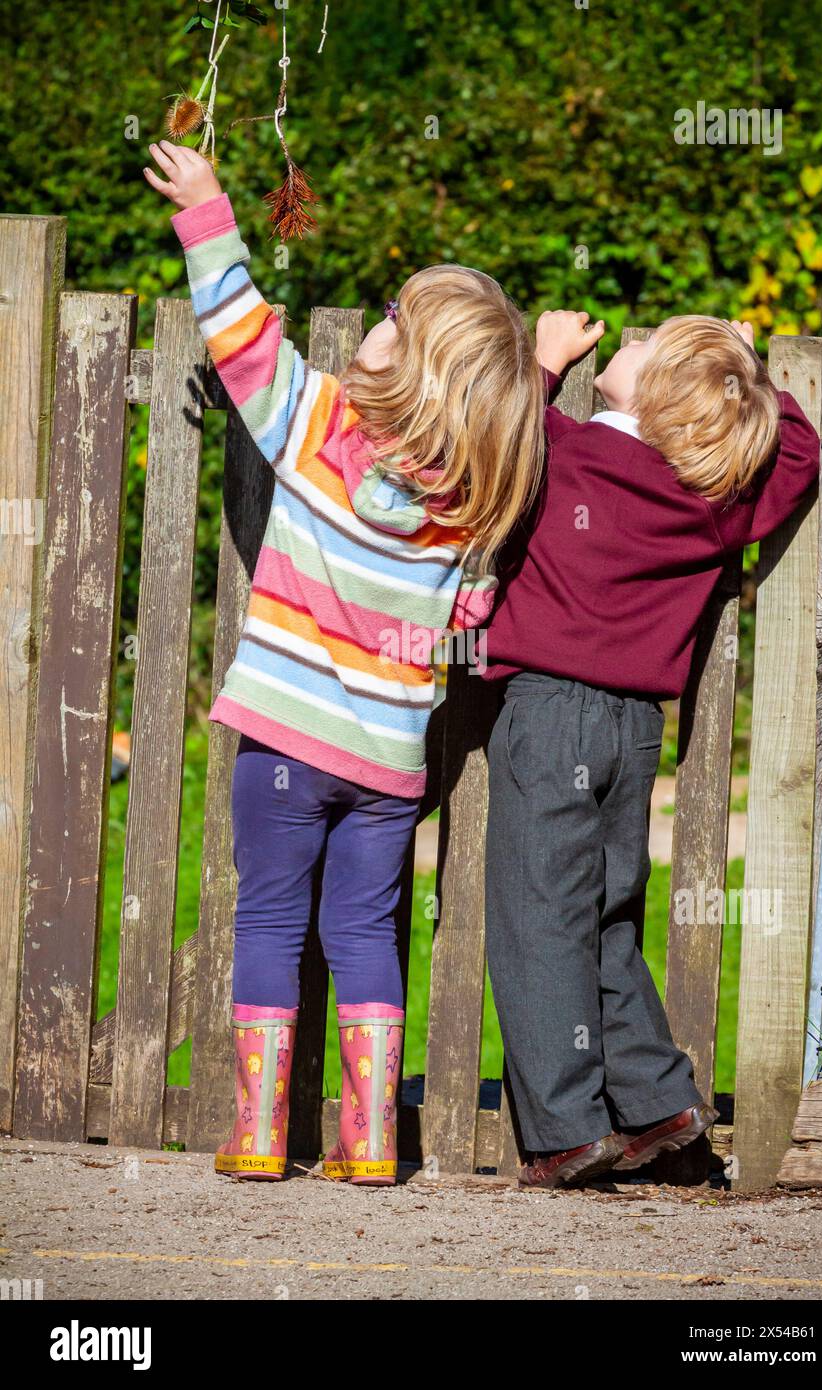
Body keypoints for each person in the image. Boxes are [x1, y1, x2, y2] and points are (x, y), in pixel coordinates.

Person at [143, 139, 553, 1183]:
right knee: (366, 936)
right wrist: (537, 377)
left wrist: (207, 209)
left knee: (270, 920)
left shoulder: (318, 423)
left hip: (281, 742)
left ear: (411, 368)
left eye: (392, 319)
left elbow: (239, 335)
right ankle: (370, 1143)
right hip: (386, 771)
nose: (375, 322)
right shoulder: (468, 512)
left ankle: (255, 1133)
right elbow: (466, 626)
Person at [482, 311, 820, 1187]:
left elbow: (496, 437)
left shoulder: (566, 453)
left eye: (643, 343)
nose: (621, 342)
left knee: (539, 922)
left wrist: (544, 362)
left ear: (662, 386)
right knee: (603, 918)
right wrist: (747, 366)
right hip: (633, 730)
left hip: (551, 716)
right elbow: (800, 454)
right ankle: (656, 1101)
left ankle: (564, 1130)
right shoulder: (712, 496)